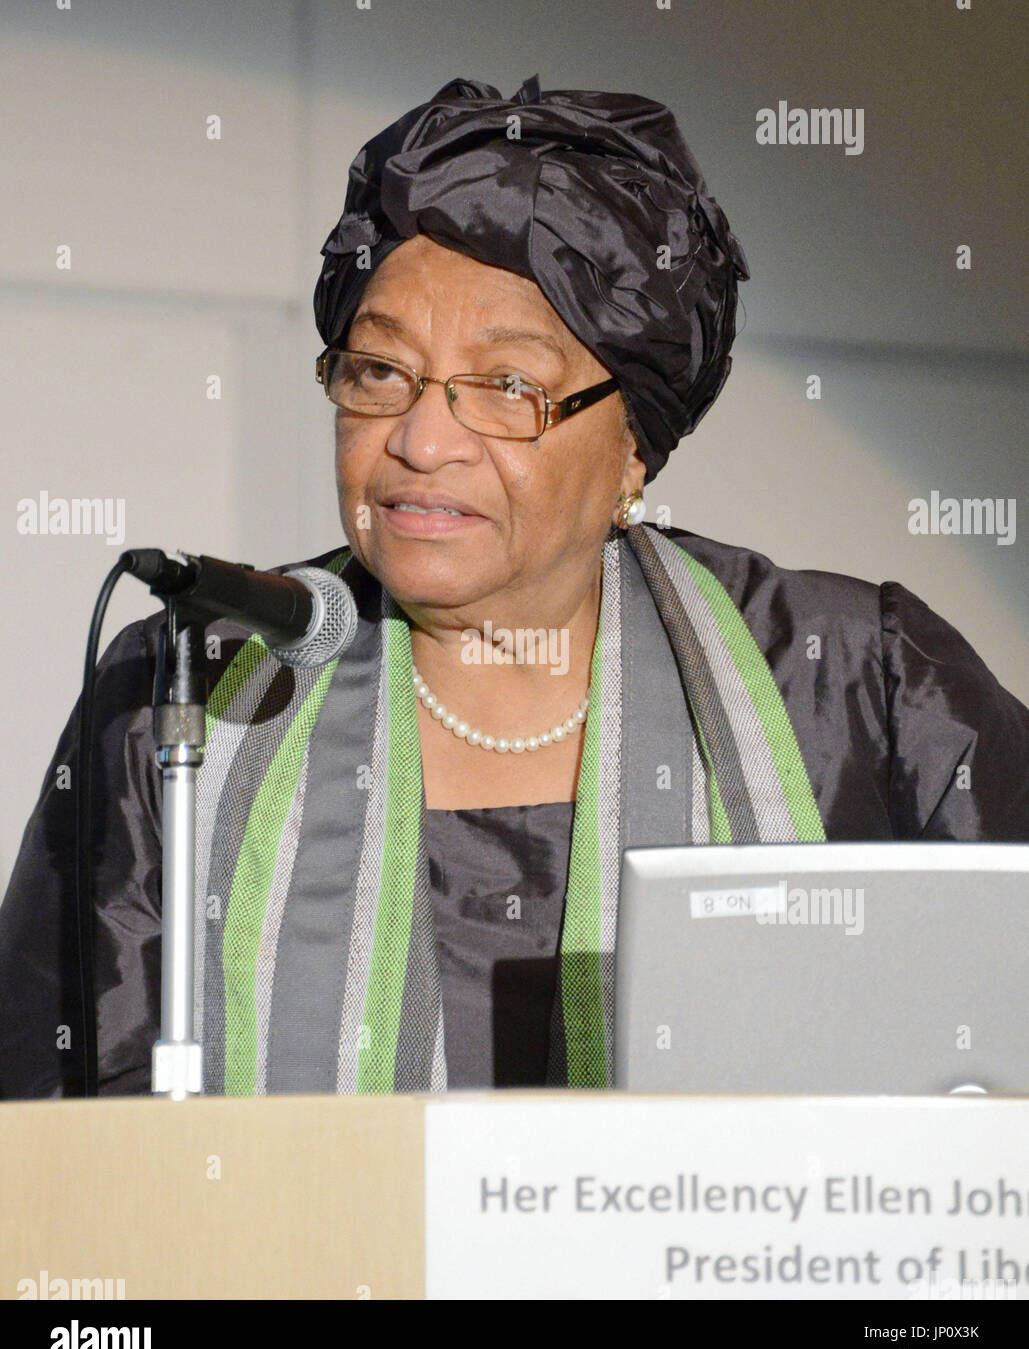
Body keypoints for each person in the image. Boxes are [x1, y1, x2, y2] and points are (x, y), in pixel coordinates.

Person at [2, 75, 1027, 1101]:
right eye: (378, 372)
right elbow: (55, 1142)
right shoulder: (198, 680)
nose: (420, 437)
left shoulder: (855, 680)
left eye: (506, 388)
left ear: (634, 450)